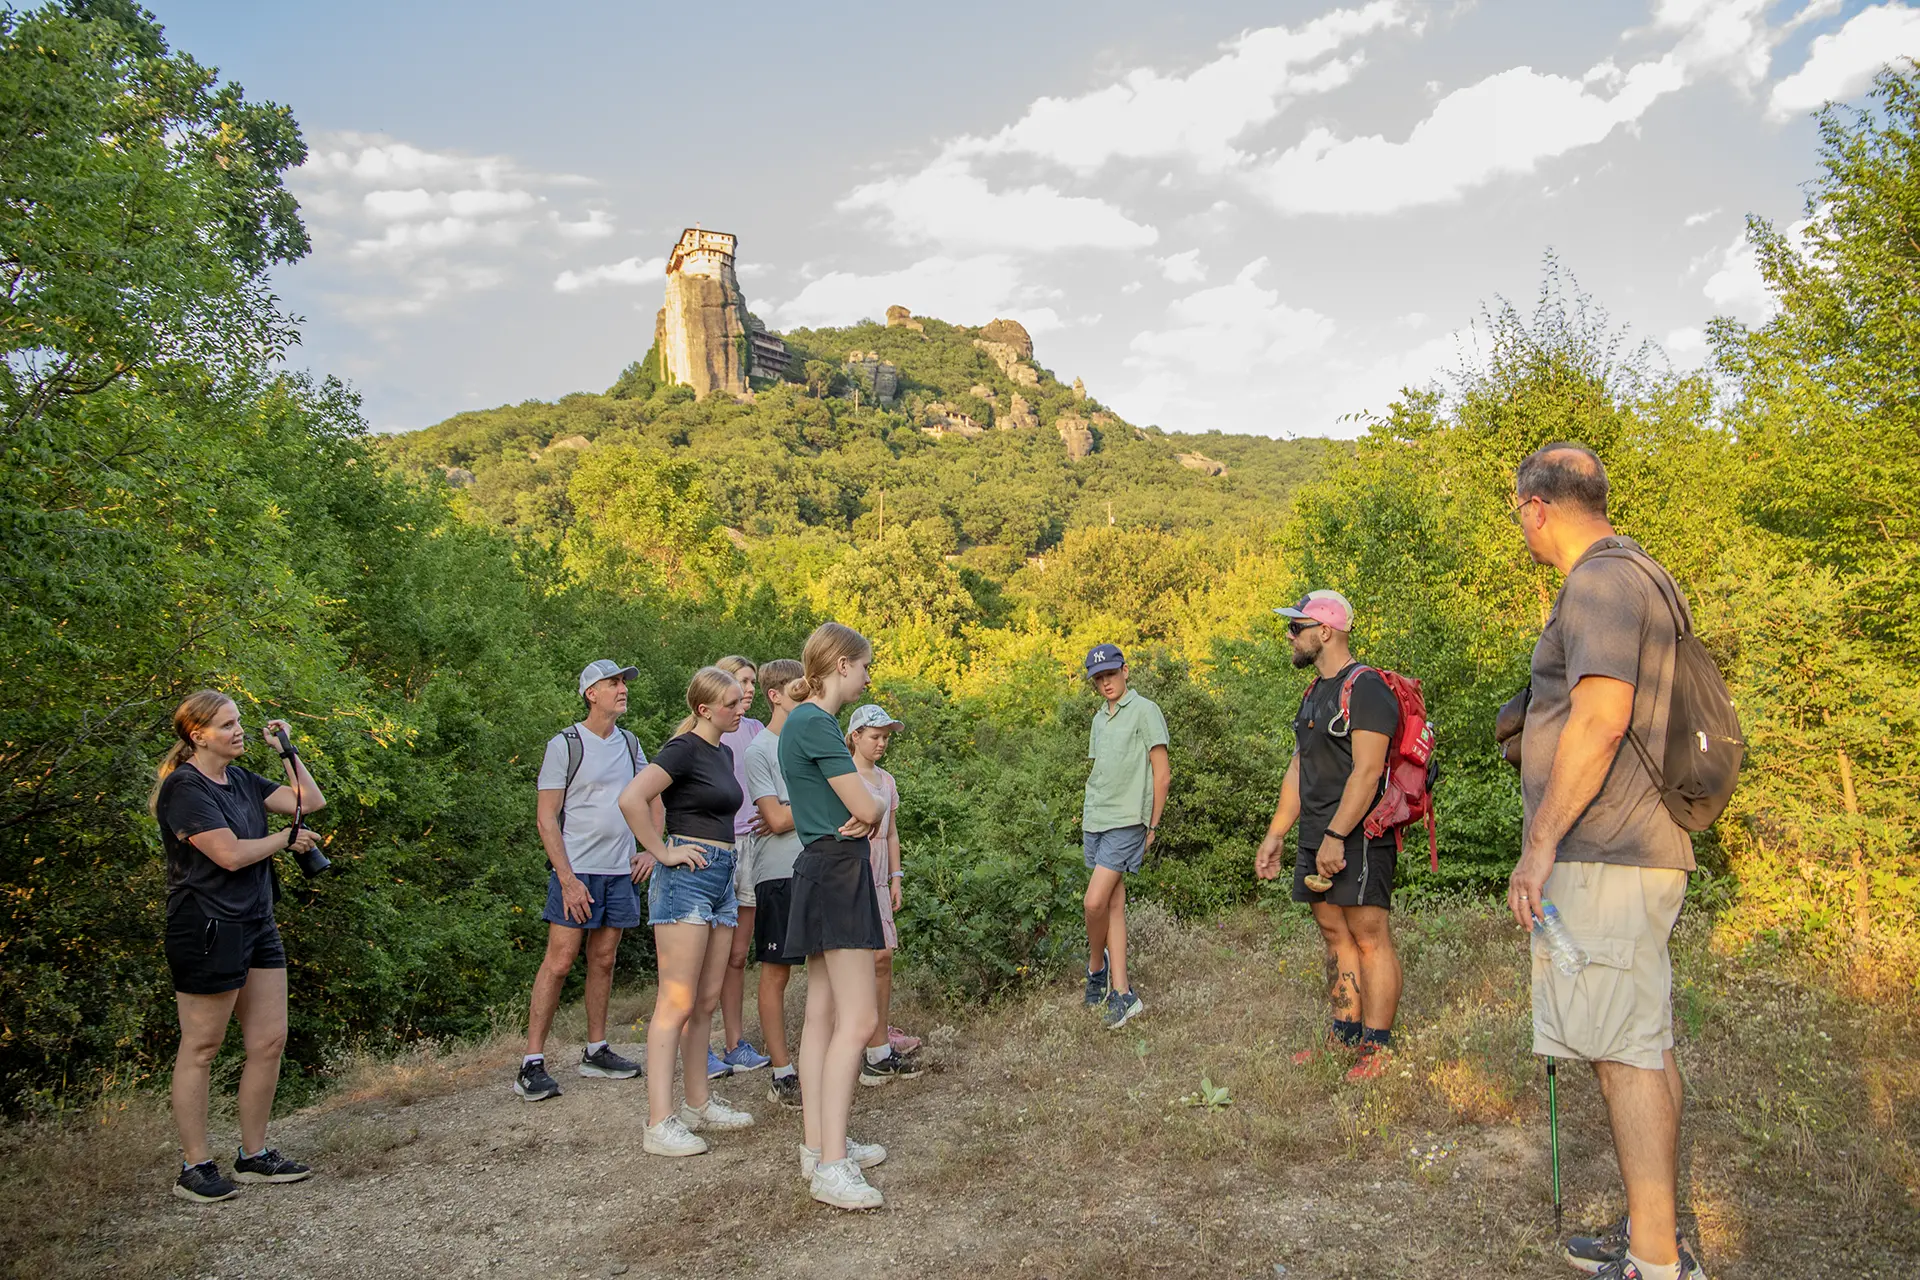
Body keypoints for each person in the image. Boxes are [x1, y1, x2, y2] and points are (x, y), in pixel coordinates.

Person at [1505, 443, 1706, 1280]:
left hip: (1608, 851)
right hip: (1635, 849)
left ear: (1536, 508)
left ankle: (1654, 1263)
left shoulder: (1599, 580)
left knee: (1624, 1048)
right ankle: (1651, 1231)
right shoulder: (1644, 573)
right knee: (1643, 1040)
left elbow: (1601, 718)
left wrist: (1541, 843)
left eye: (1518, 514)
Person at [152, 690, 324, 1202]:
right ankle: (194, 1167)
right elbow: (227, 855)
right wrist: (286, 840)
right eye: (228, 725)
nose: (239, 730)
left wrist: (288, 751)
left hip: (256, 921)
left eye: (239, 722)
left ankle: (253, 1155)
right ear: (197, 734)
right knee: (202, 1047)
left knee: (269, 1041)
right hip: (206, 926)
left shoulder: (242, 779)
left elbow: (308, 802)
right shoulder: (184, 788)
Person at [1253, 591, 1405, 1083]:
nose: (1289, 638)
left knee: (1369, 938)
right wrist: (1277, 834)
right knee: (1335, 936)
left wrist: (1338, 834)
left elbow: (1367, 771)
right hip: (1317, 835)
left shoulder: (1367, 689)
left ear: (1326, 631)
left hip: (1358, 834)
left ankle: (1378, 1048)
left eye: (1296, 628)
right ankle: (1343, 1038)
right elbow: (1300, 768)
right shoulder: (1313, 694)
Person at [620, 666, 757, 1156]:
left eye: (742, 702)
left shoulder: (721, 751)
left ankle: (698, 1103)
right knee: (675, 1002)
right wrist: (661, 851)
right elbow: (632, 798)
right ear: (704, 709)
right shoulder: (683, 749)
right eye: (732, 703)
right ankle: (659, 1121)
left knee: (705, 999)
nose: (741, 708)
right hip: (687, 876)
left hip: (722, 874)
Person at [778, 623, 892, 1210]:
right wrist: (868, 812)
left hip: (823, 866)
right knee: (858, 1018)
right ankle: (831, 1166)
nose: (869, 676)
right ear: (842, 665)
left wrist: (868, 814)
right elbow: (869, 804)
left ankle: (819, 1143)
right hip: (838, 870)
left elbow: (866, 809)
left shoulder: (801, 722)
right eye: (865, 665)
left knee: (821, 1017)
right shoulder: (817, 722)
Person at [517, 660, 651, 1103]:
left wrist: (652, 848)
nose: (622, 689)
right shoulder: (566, 744)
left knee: (606, 958)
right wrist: (568, 879)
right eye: (613, 683)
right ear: (590, 693)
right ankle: (531, 1062)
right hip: (577, 871)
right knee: (559, 960)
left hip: (619, 869)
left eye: (623, 683)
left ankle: (596, 1050)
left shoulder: (631, 743)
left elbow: (653, 795)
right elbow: (545, 817)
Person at [1080, 644, 1169, 1031]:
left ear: (1125, 671)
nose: (1106, 683)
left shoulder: (1145, 711)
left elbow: (1161, 773)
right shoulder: (1100, 718)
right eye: (1099, 679)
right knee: (1113, 905)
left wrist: (1152, 825)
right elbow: (1102, 770)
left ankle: (1097, 969)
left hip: (1128, 820)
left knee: (1093, 900)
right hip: (1096, 816)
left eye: (1111, 675)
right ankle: (1121, 992)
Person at [846, 704, 923, 1084]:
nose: (882, 744)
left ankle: (879, 1045)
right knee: (862, 958)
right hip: (850, 876)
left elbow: (891, 832)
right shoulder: (843, 777)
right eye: (875, 736)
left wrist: (896, 877)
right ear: (855, 736)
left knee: (883, 957)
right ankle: (858, 1041)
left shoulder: (887, 781)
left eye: (886, 738)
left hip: (878, 877)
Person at [741, 658, 806, 1108]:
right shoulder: (760, 749)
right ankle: (782, 1073)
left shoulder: (809, 741)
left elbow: (786, 814)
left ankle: (826, 1060)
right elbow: (777, 819)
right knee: (776, 971)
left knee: (825, 968)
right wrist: (806, 808)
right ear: (775, 695)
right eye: (798, 690)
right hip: (778, 873)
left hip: (817, 866)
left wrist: (790, 812)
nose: (805, 697)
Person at [713, 654, 773, 1077]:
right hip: (719, 844)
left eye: (753, 682)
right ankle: (699, 1046)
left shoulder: (756, 730)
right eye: (742, 681)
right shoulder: (709, 730)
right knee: (707, 955)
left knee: (737, 956)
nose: (749, 689)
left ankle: (735, 1044)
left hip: (755, 842)